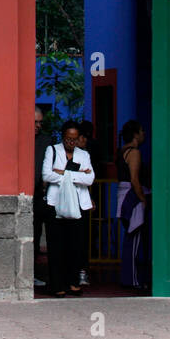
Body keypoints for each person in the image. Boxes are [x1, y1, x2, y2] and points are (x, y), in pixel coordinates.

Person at [42, 119, 95, 297]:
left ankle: (74, 282)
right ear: (63, 137)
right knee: (57, 246)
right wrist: (77, 174)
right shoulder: (53, 150)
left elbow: (90, 179)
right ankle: (58, 285)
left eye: (74, 139)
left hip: (79, 206)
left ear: (79, 138)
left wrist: (64, 173)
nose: (70, 143)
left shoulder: (84, 154)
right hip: (55, 204)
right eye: (67, 139)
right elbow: (46, 174)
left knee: (76, 246)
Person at [116, 120, 150, 291]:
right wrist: (143, 198)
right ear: (136, 134)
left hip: (122, 197)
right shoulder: (134, 152)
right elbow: (135, 179)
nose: (144, 134)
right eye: (142, 130)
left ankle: (130, 278)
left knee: (131, 239)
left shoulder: (122, 151)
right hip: (132, 198)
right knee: (134, 241)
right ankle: (133, 279)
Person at [33, 106, 53, 289]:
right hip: (25, 194)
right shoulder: (21, 139)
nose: (38, 125)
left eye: (40, 122)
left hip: (40, 195)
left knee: (37, 234)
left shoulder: (46, 142)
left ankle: (34, 274)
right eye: (35, 122)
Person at [75, 121, 97, 288]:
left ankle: (81, 271)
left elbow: (89, 178)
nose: (85, 141)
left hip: (82, 201)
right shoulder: (63, 153)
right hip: (68, 201)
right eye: (84, 137)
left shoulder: (85, 156)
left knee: (82, 238)